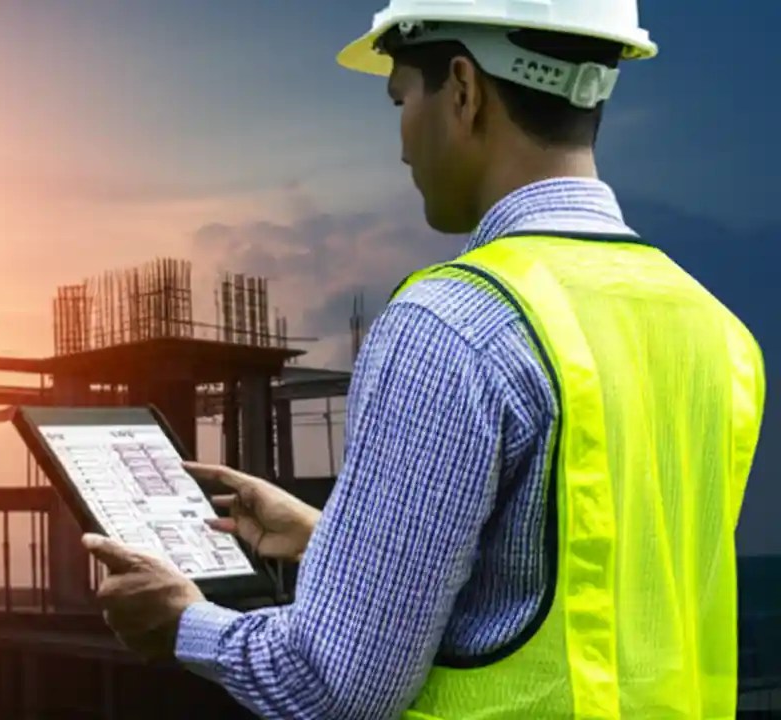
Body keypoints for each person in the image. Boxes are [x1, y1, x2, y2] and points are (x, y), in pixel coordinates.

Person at [81, 0, 767, 717]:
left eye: (401, 97)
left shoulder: (452, 324)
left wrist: (182, 622)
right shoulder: (718, 332)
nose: (403, 143)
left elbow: (332, 687)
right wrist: (337, 545)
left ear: (464, 90)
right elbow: (587, 590)